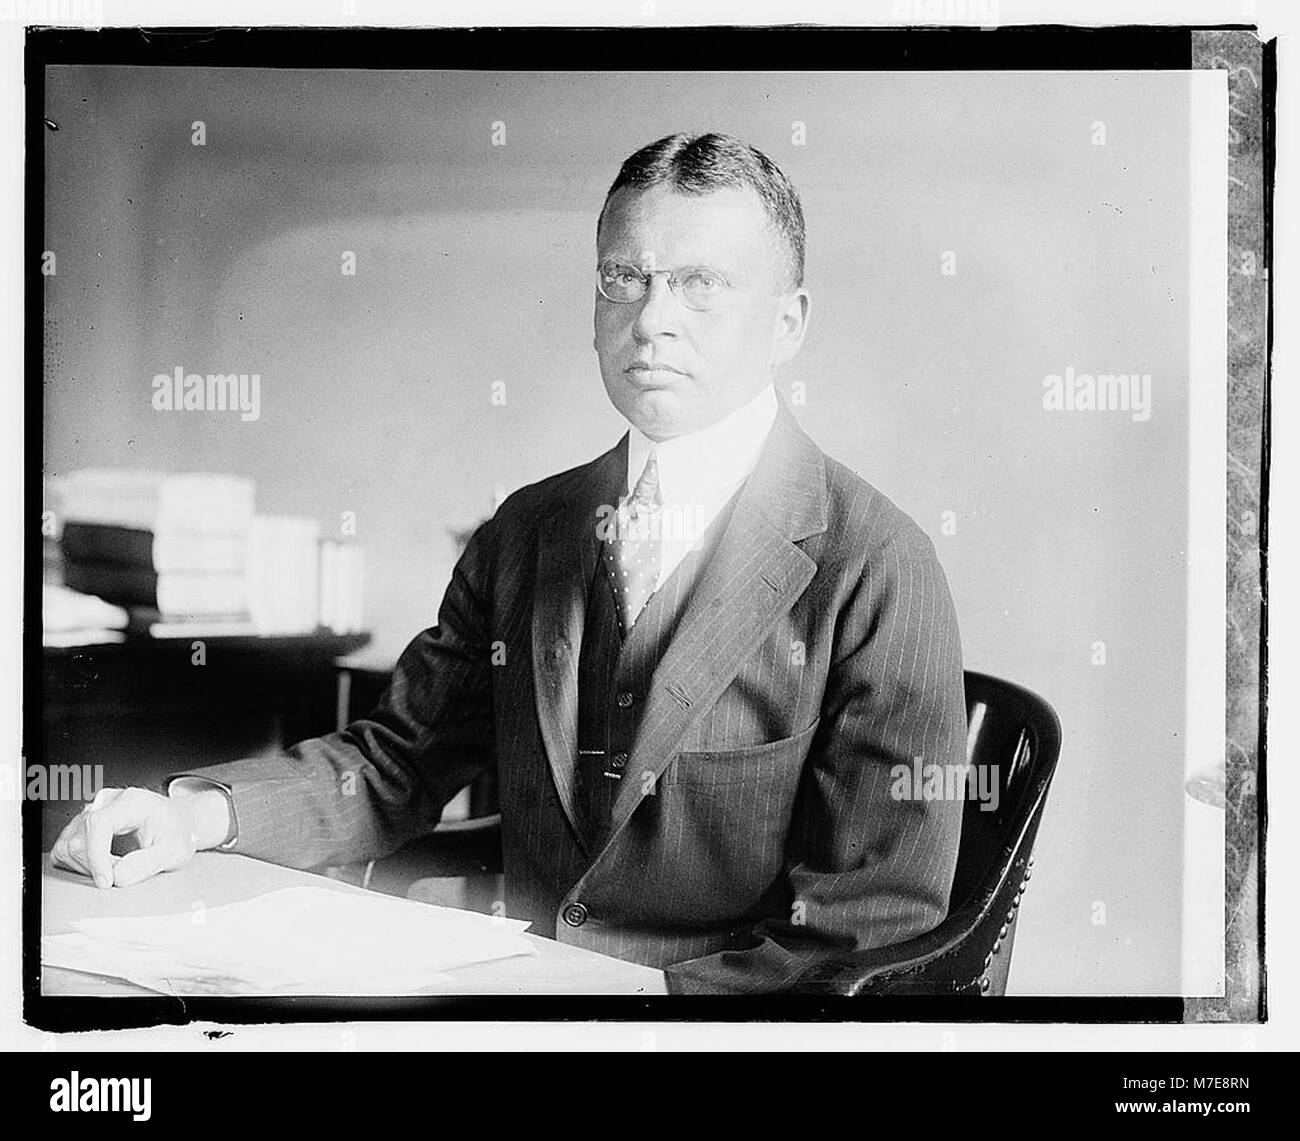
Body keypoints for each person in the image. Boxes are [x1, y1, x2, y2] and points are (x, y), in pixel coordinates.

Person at [51, 132, 968, 994]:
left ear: (788, 323)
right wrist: (191, 816)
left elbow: (866, 931)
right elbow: (396, 763)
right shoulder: (529, 527)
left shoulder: (876, 564)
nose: (652, 319)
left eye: (700, 284)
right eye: (624, 276)